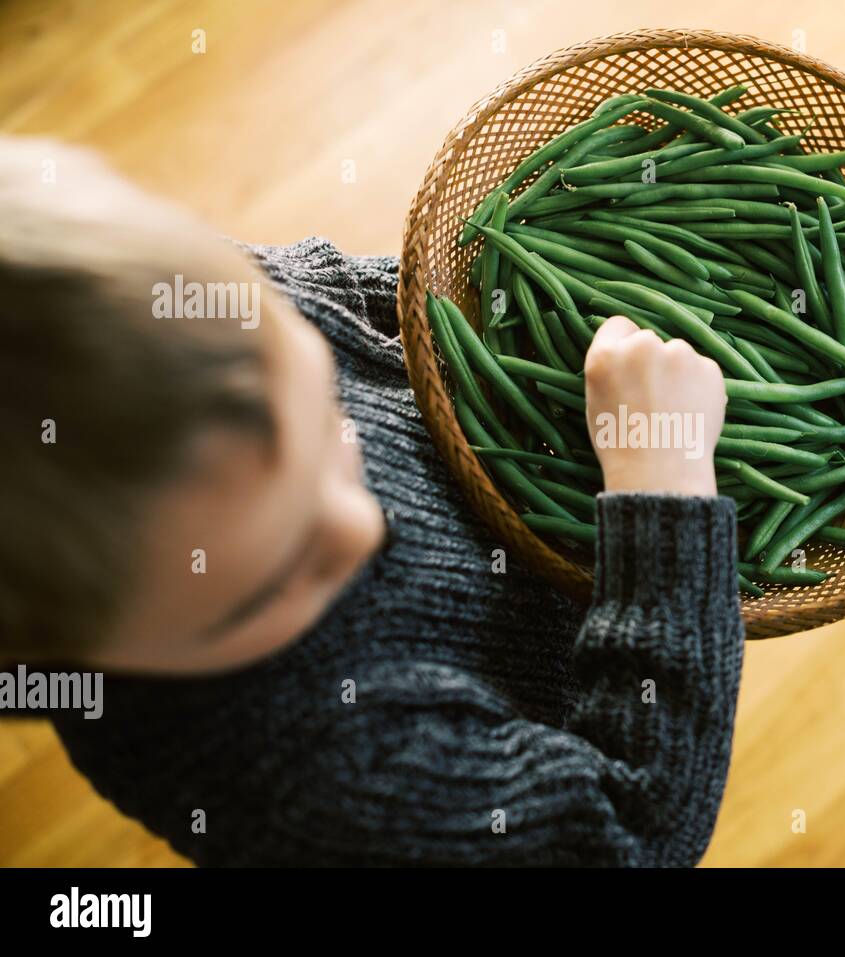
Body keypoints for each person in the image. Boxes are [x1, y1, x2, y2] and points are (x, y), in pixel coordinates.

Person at [0, 138, 744, 866]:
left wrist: (533, 301)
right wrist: (663, 484)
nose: (362, 529)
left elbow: (348, 298)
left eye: (329, 422)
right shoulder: (308, 783)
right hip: (601, 660)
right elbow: (632, 832)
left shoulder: (198, 318)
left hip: (559, 507)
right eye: (273, 583)